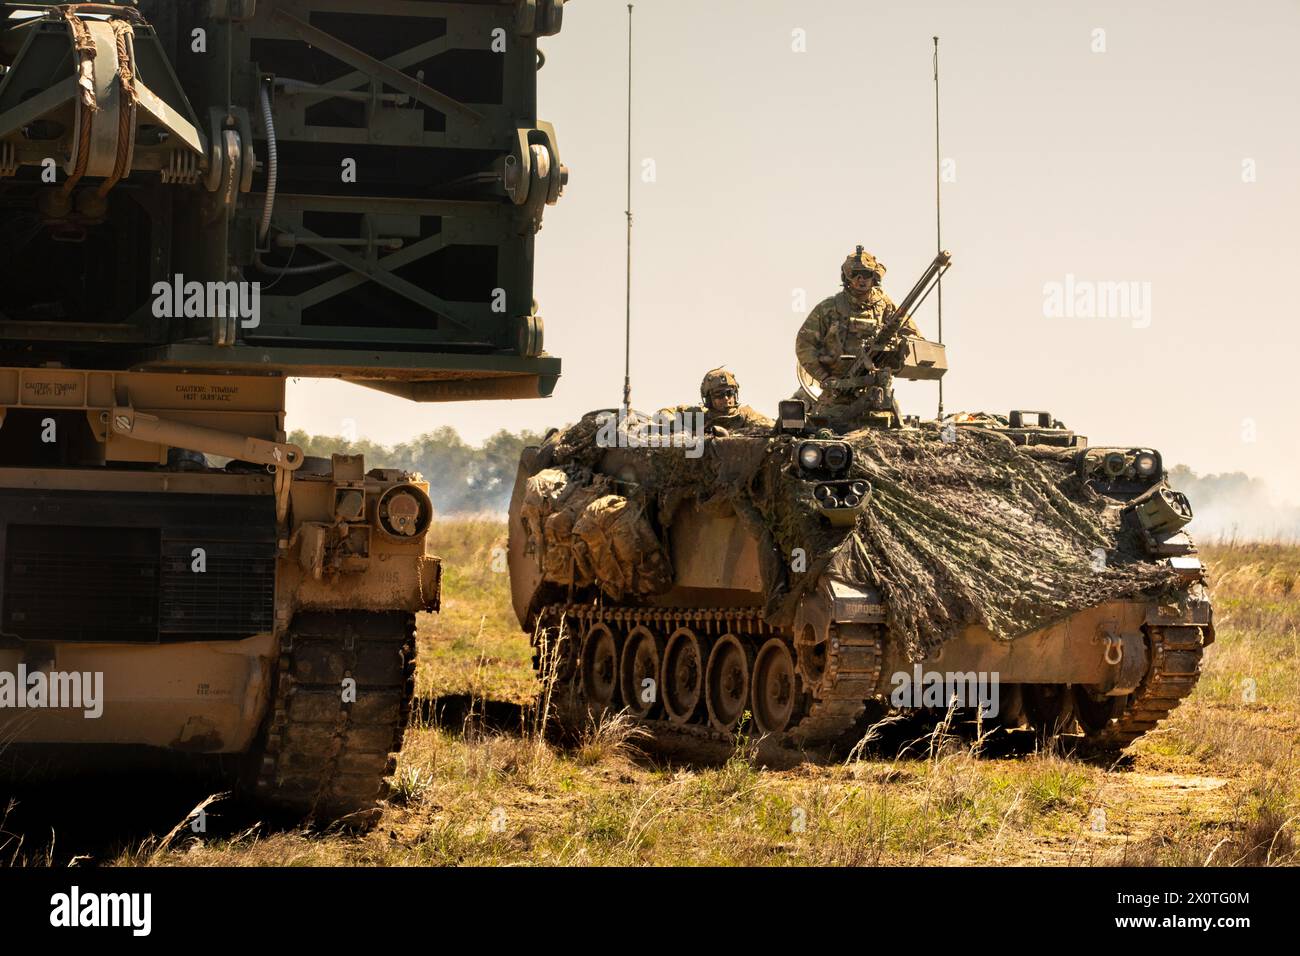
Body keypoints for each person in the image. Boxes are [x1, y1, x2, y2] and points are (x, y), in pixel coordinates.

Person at [795, 246, 919, 422]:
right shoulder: (829, 308)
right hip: (836, 399)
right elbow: (804, 344)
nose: (861, 279)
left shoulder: (886, 307)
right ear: (846, 276)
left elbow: (913, 337)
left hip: (878, 399)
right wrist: (825, 378)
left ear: (874, 277)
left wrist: (898, 350)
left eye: (866, 274)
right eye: (855, 274)